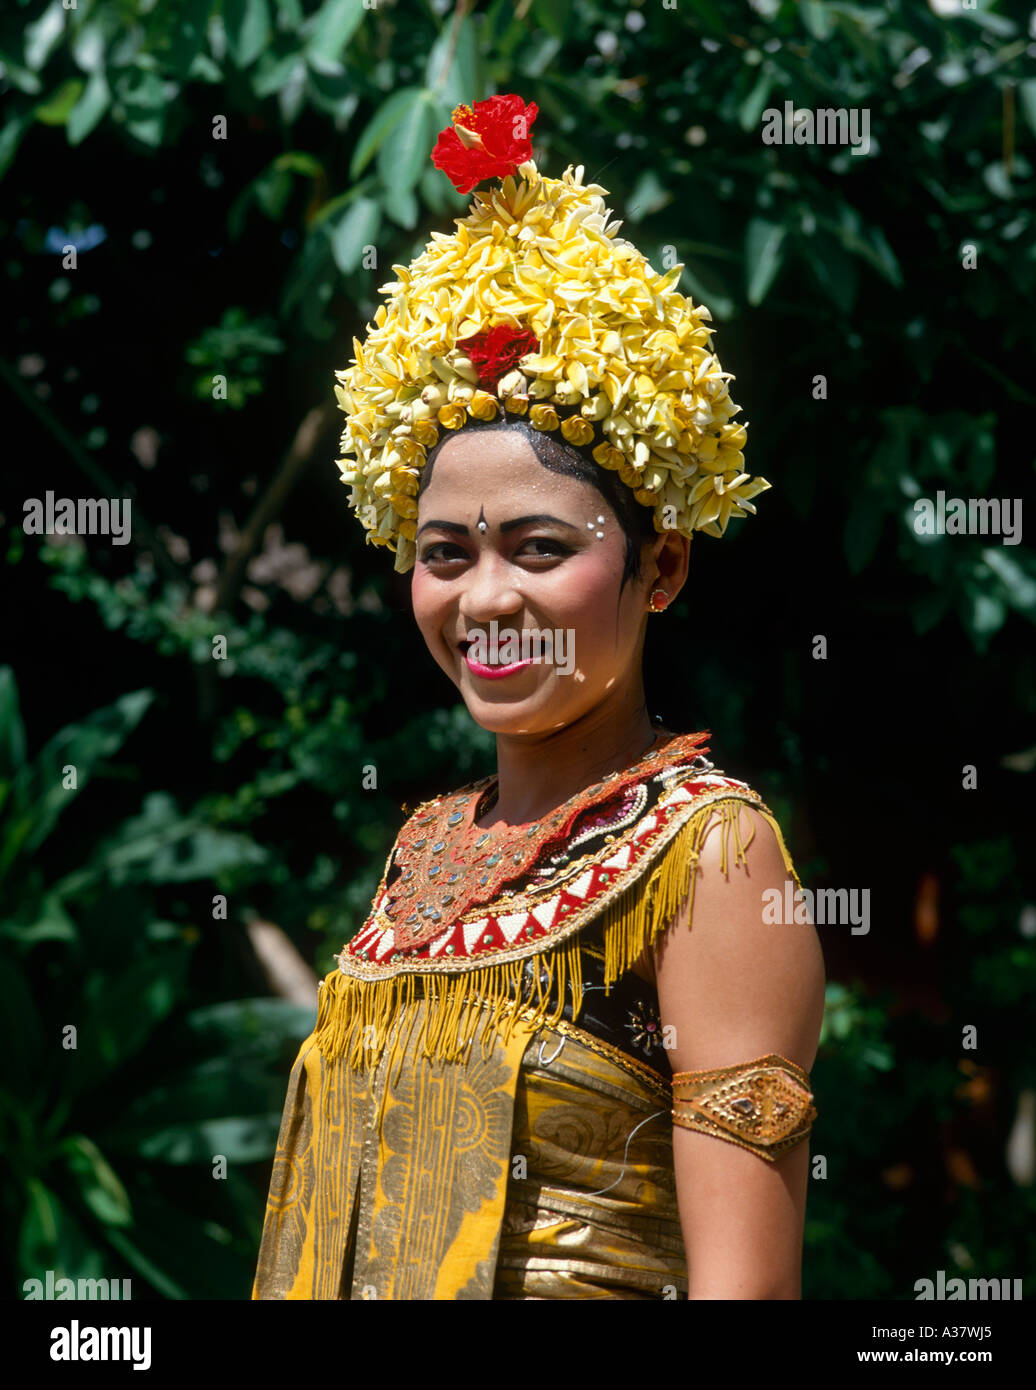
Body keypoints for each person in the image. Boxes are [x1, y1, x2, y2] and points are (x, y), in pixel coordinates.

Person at [252, 93, 825, 1301]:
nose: (485, 599)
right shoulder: (425, 849)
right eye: (446, 554)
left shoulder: (710, 856)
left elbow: (747, 1293)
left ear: (659, 564)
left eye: (539, 549)